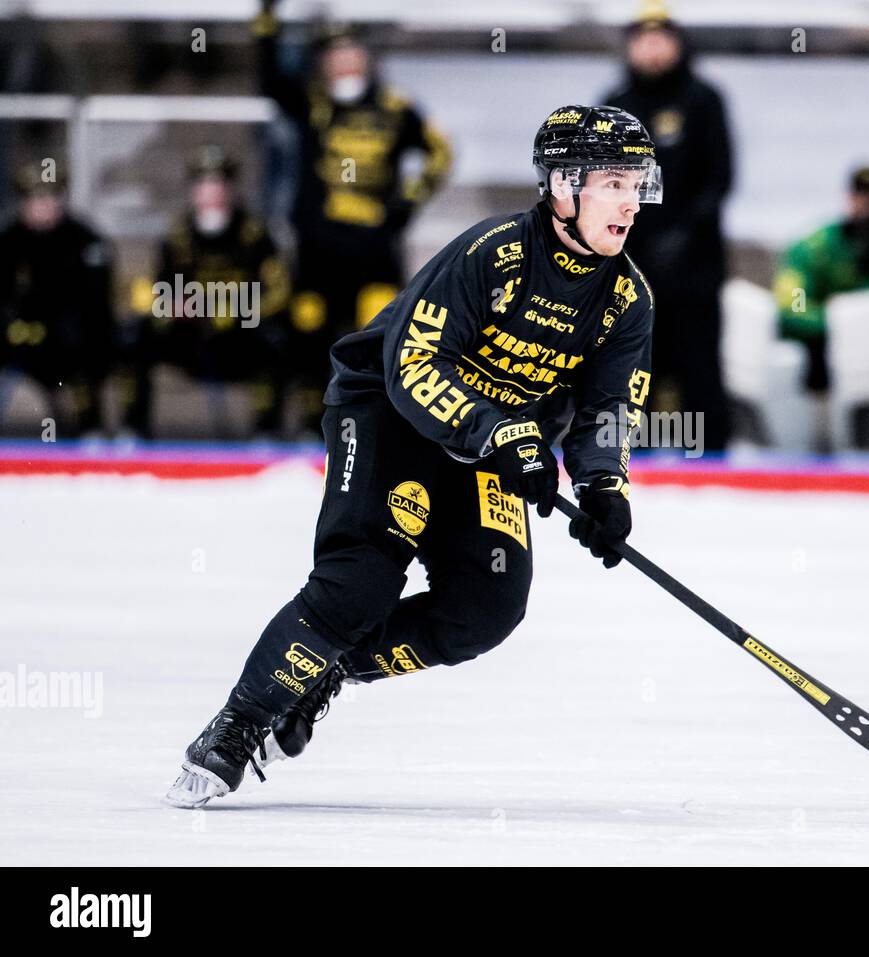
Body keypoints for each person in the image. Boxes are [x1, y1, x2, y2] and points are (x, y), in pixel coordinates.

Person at [165, 105, 659, 808]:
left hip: (489, 445)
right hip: (390, 413)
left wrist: (606, 485)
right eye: (615, 181)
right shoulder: (492, 254)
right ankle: (235, 727)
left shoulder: (627, 299)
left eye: (637, 183)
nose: (631, 201)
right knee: (358, 584)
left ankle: (328, 671)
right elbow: (414, 362)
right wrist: (501, 431)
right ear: (563, 185)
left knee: (486, 607)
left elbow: (610, 407)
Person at [253, 1, 453, 434]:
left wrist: (406, 203)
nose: (344, 62)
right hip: (317, 248)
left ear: (366, 57)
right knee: (308, 328)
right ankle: (312, 424)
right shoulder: (312, 104)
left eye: (351, 52)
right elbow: (270, 83)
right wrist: (266, 25)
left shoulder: (396, 108)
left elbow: (440, 152)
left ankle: (378, 423)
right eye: (334, 54)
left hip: (373, 250)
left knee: (381, 333)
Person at [603, 2, 732, 452]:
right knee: (632, 365)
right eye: (643, 41)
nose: (653, 50)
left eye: (661, 41)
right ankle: (628, 458)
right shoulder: (614, 108)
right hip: (631, 263)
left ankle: (712, 457)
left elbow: (720, 177)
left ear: (678, 46)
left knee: (700, 366)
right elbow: (600, 185)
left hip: (695, 263)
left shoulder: (703, 100)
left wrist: (685, 233)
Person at [124, 146, 291, 439]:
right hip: (191, 339)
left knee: (278, 336)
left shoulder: (254, 234)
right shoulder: (178, 236)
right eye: (203, 183)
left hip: (240, 337)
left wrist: (237, 310)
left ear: (231, 187)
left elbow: (277, 292)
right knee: (134, 335)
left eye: (218, 183)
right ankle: (132, 429)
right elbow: (156, 291)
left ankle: (266, 430)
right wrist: (174, 307)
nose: (212, 192)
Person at [774, 166, 869, 396]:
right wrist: (835, 320)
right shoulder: (816, 248)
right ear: (849, 197)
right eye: (860, 195)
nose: (867, 204)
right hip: (825, 343)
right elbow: (794, 305)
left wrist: (863, 320)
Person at [0, 162, 114, 438]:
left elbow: (95, 306)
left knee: (87, 343)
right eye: (35, 198)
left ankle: (88, 429)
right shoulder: (8, 242)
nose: (43, 205)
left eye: (50, 197)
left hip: (69, 346)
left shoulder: (85, 241)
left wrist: (47, 329)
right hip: (18, 343)